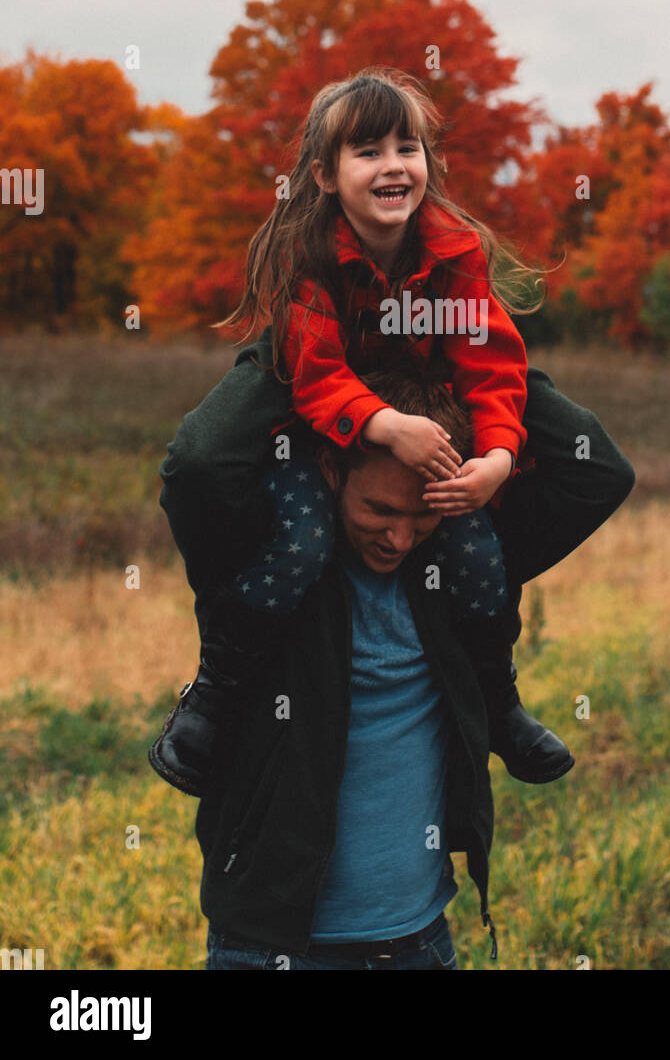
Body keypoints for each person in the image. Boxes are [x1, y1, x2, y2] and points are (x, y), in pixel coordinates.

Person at [151, 66, 576, 797]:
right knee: (292, 534)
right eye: (368, 151)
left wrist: (500, 456)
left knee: (476, 548)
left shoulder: (453, 251)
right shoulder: (310, 252)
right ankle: (215, 694)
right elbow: (315, 373)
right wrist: (384, 425)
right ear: (324, 174)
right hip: (311, 408)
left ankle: (497, 703)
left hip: (417, 396)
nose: (393, 166)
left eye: (407, 148)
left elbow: (489, 360)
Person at [156, 346, 635, 968]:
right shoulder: (264, 555)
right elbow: (197, 461)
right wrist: (309, 340)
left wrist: (462, 341)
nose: (400, 538)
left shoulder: (462, 565)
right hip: (270, 948)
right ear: (330, 469)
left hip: (419, 943)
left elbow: (600, 472)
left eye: (422, 515)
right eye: (379, 510)